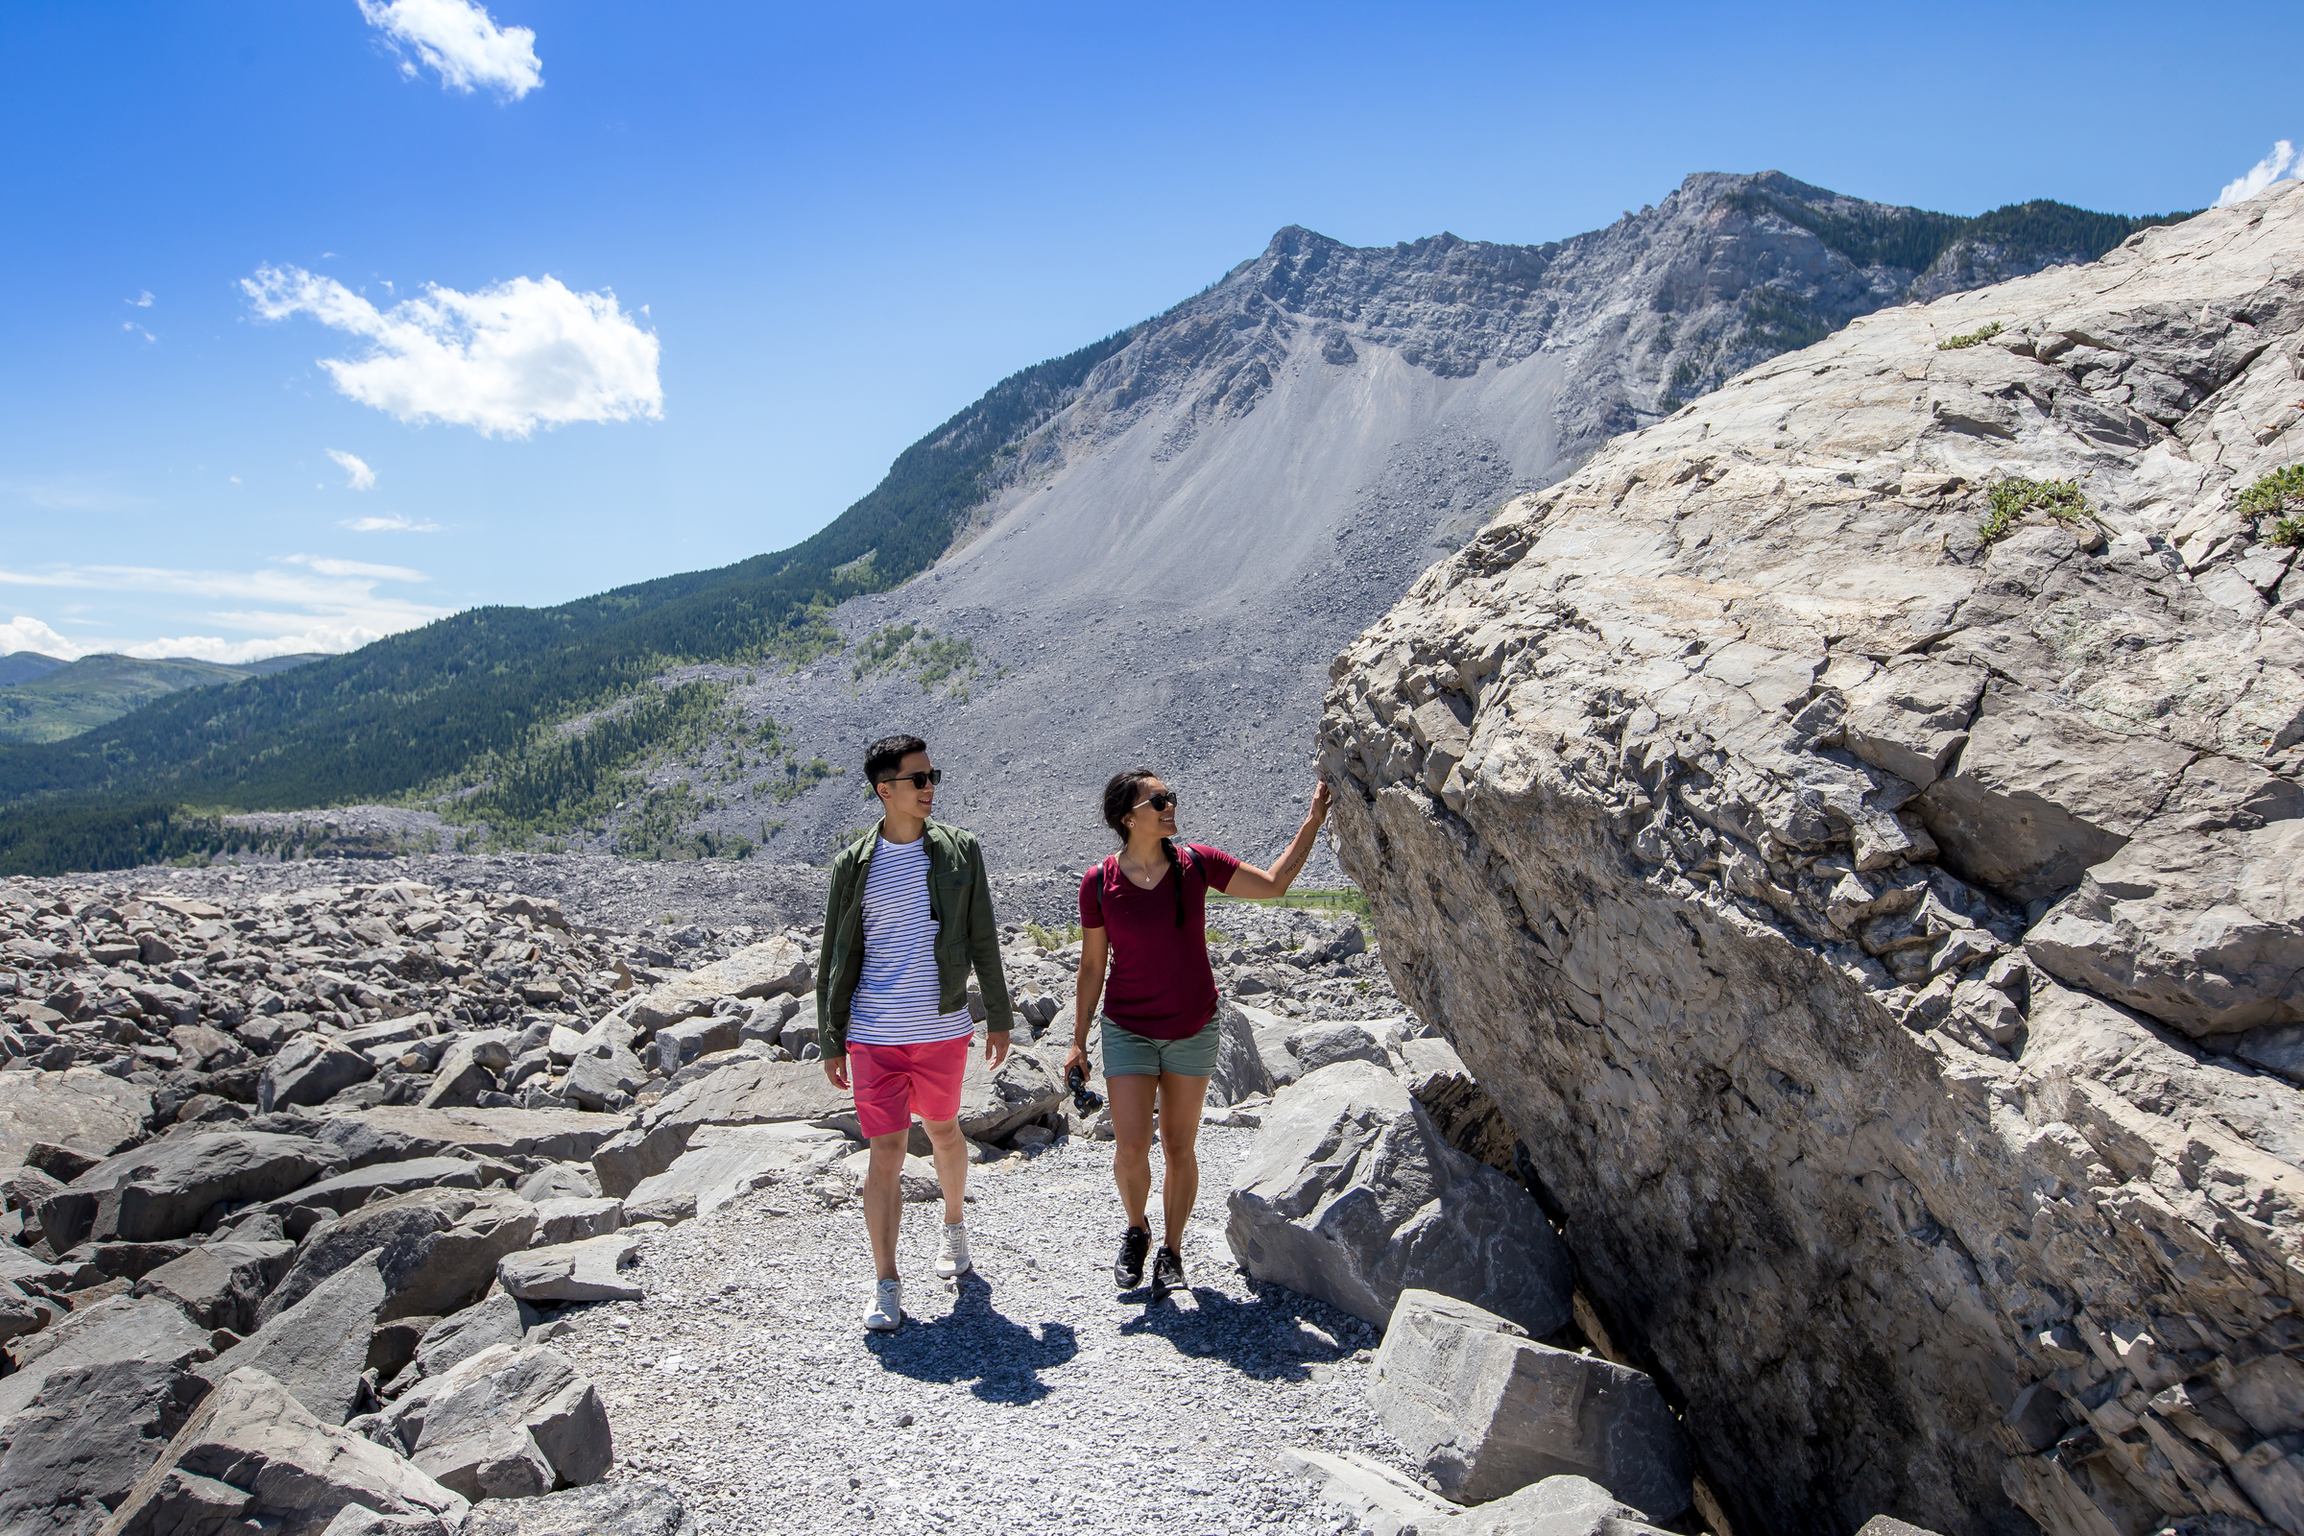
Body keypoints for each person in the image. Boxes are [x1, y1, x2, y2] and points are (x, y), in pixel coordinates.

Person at [1064, 769, 1331, 1296]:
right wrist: (1077, 1039)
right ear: (1127, 816)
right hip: (1128, 1027)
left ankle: (1172, 1250)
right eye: (1157, 800)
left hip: (1192, 1027)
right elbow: (1092, 966)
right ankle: (1136, 1229)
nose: (1170, 806)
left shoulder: (1196, 865)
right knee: (1131, 1146)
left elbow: (1274, 886)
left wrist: (1313, 821)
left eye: (1170, 797)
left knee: (1179, 1147)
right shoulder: (1099, 883)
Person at [818, 734, 1013, 1332]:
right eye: (918, 779)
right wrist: (831, 1035)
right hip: (874, 1034)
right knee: (886, 1151)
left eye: (933, 778)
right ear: (885, 790)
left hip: (941, 1028)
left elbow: (983, 935)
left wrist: (999, 1014)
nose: (930, 789)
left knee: (946, 1131)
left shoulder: (959, 852)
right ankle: (887, 1282)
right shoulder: (854, 864)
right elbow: (836, 952)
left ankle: (954, 1226)